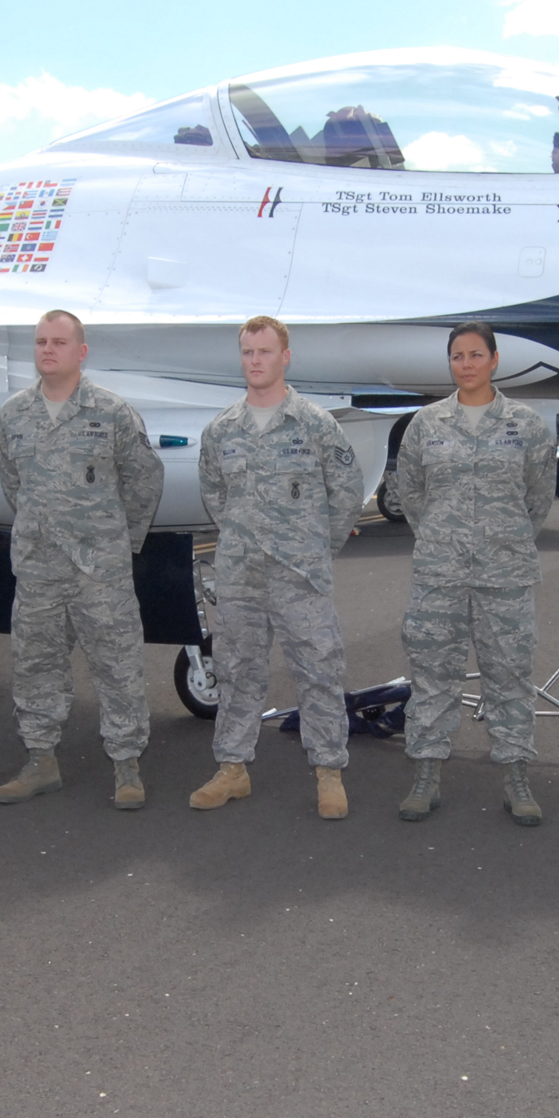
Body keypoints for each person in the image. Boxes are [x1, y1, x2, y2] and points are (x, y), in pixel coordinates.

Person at [189, 315, 368, 819]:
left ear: (284, 357)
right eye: (247, 352)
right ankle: (232, 769)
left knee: (319, 670)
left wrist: (314, 548)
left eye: (264, 352)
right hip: (241, 575)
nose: (255, 361)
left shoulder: (314, 424)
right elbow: (215, 496)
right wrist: (247, 541)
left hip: (300, 576)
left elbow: (347, 492)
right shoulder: (222, 430)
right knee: (236, 670)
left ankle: (329, 772)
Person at [0, 310, 164, 808]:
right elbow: (13, 483)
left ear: (80, 351)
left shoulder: (111, 412)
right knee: (35, 665)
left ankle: (127, 765)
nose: (48, 349)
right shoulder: (13, 415)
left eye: (59, 342)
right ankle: (41, 760)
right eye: (41, 341)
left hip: (99, 571)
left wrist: (116, 542)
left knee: (118, 665)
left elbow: (143, 481)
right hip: (39, 568)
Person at [391, 321, 558, 825]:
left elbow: (539, 497)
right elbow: (411, 493)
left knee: (509, 675)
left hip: (504, 575)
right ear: (450, 363)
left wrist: (499, 539)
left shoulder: (525, 424)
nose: (467, 363)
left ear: (494, 359)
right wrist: (445, 536)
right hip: (439, 573)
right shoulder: (426, 423)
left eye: (475, 354)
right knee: (432, 675)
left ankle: (516, 777)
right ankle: (426, 774)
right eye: (458, 356)